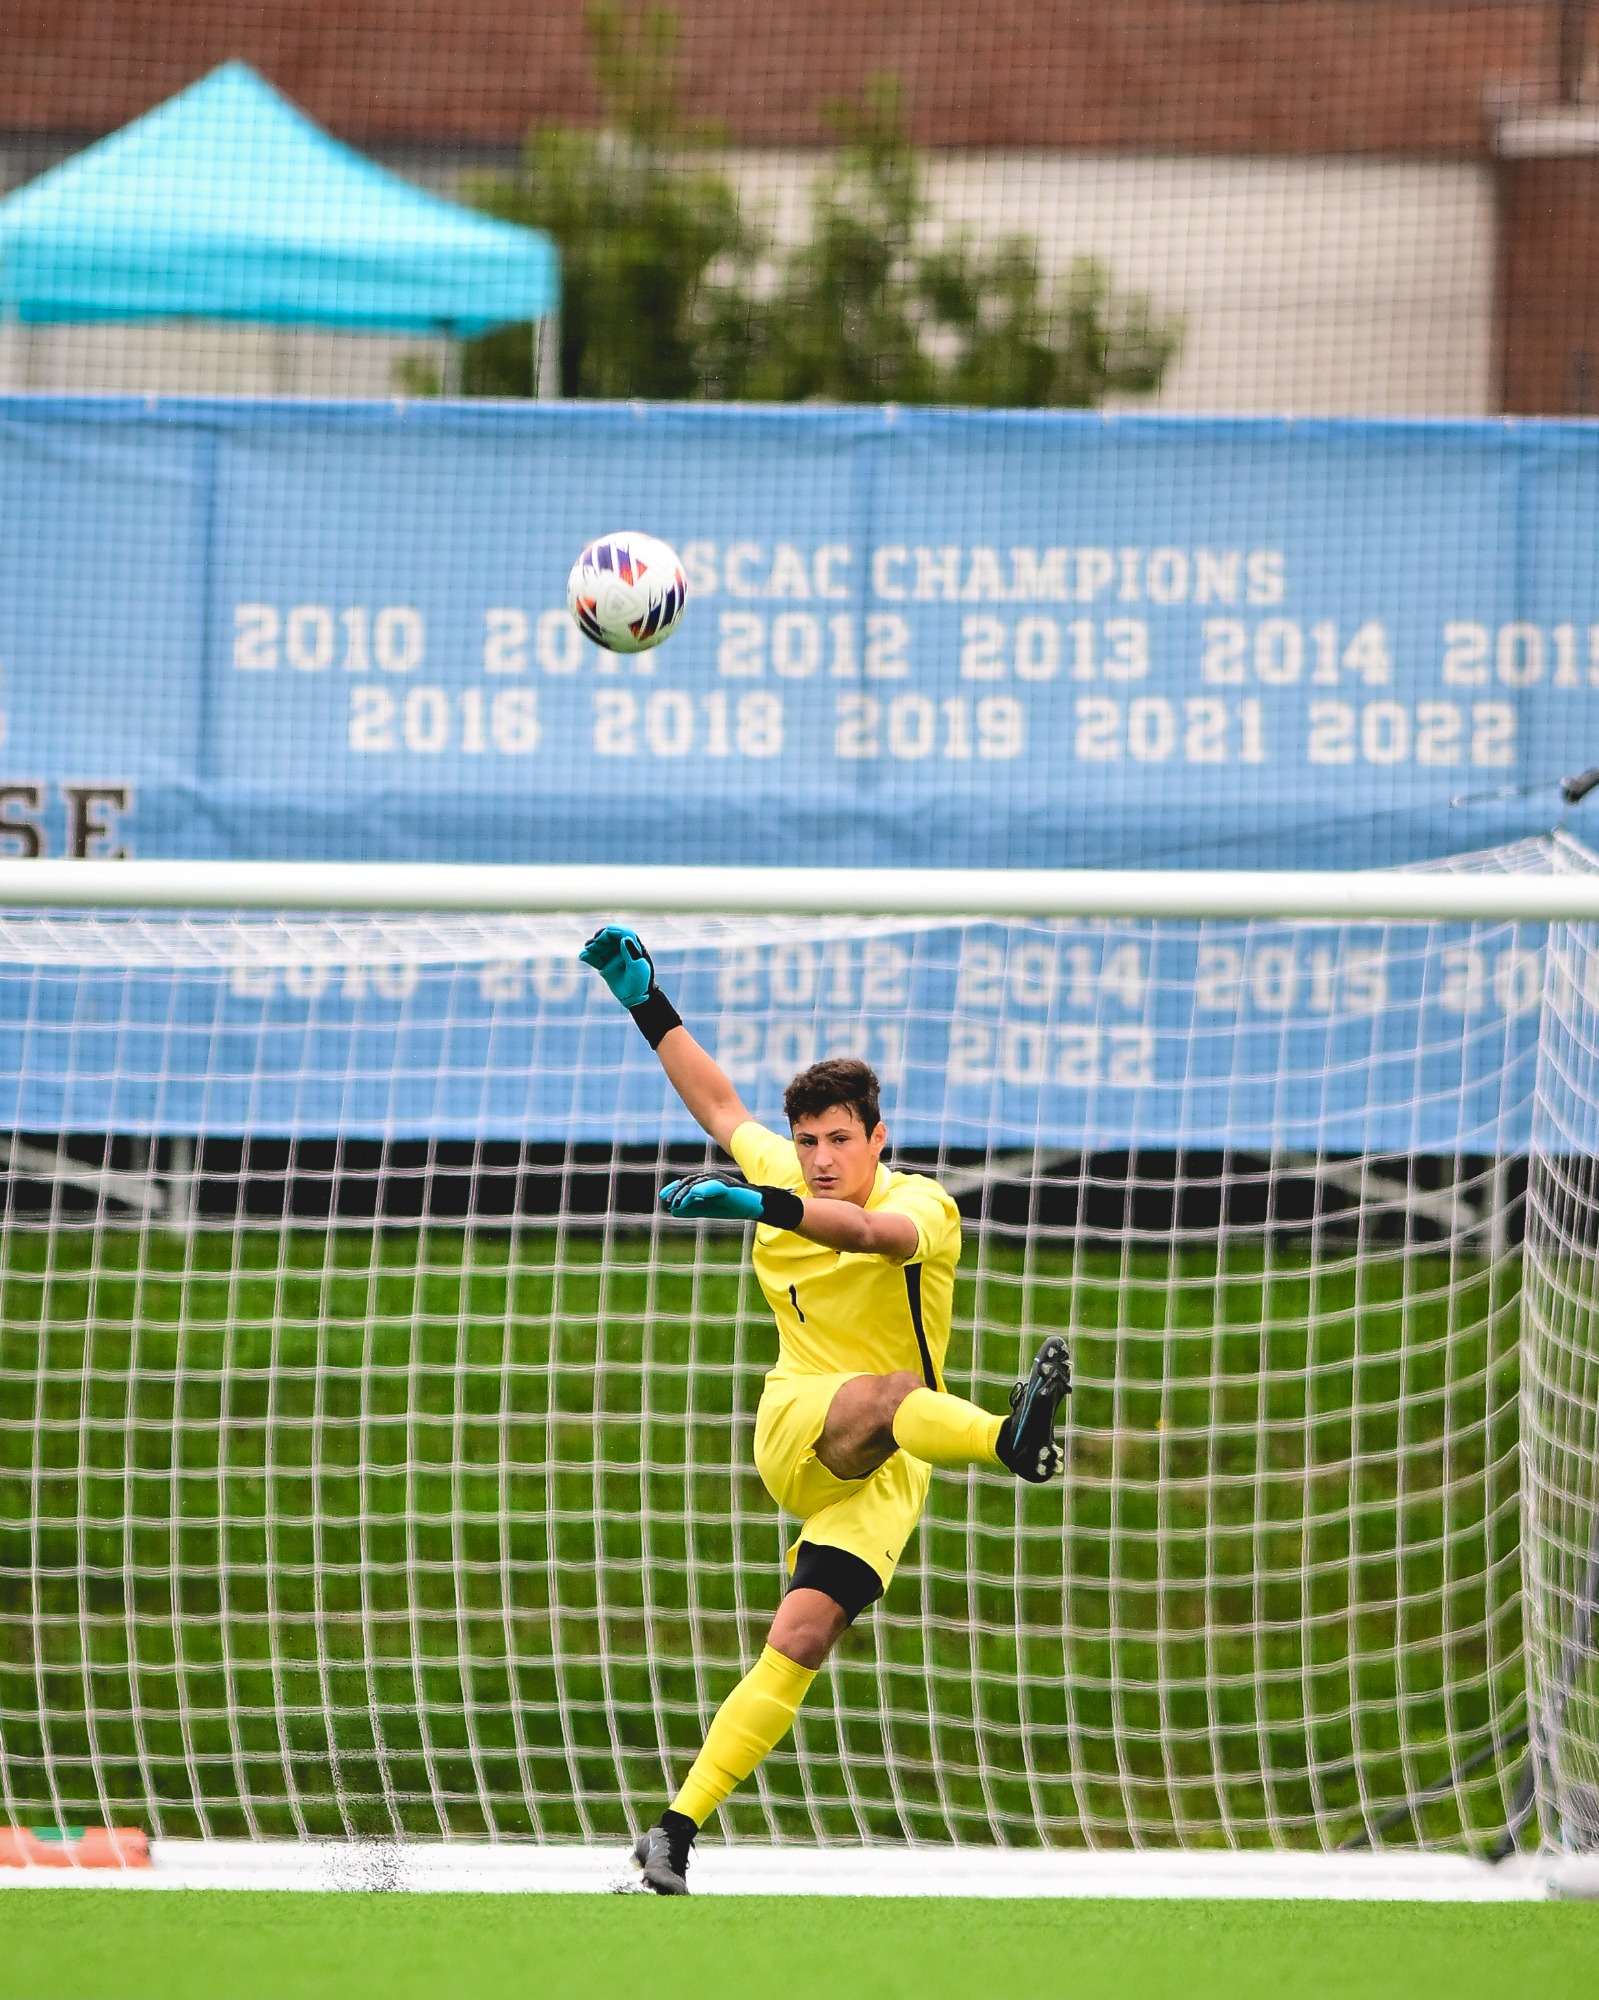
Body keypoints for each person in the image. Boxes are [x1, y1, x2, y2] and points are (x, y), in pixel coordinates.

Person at [579, 925, 1072, 1895]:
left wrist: (760, 1206)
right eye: (805, 1141)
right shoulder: (784, 1173)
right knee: (895, 1392)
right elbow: (718, 1102)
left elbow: (864, 1233)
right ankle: (1008, 1440)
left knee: (800, 1639)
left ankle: (672, 1832)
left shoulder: (924, 1206)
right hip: (799, 1419)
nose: (817, 1157)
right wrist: (644, 998)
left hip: (890, 1470)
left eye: (838, 1138)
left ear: (877, 1138)